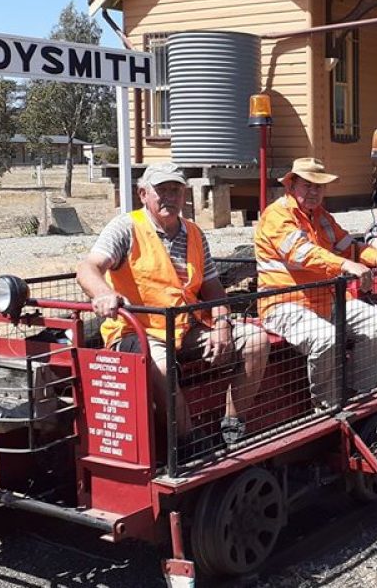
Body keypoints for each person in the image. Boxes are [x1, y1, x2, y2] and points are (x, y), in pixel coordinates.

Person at [77, 162, 269, 447]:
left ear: (184, 195)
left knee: (256, 339)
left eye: (176, 191)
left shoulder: (193, 233)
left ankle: (233, 422)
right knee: (163, 368)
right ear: (143, 194)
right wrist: (103, 293)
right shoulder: (126, 227)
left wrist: (221, 323)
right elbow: (88, 268)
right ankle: (188, 440)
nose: (169, 197)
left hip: (185, 327)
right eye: (162, 190)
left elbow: (213, 288)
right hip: (139, 331)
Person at [254, 157, 377, 409]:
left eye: (318, 186)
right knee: (325, 338)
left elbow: (350, 247)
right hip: (282, 303)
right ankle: (327, 406)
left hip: (324, 299)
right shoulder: (277, 215)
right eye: (307, 185)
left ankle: (356, 394)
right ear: (291, 185)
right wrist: (345, 266)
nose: (313, 192)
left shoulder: (321, 216)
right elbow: (302, 253)